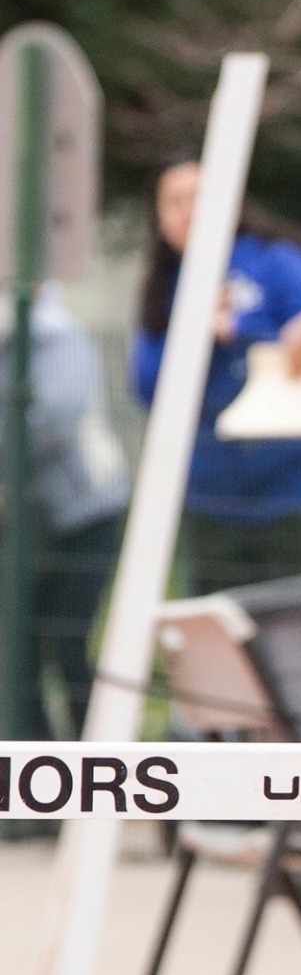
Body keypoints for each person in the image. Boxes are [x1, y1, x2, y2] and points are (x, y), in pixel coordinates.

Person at [133, 160, 301, 595]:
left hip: (292, 492)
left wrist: (242, 332)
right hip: (211, 497)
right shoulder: (163, 286)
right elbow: (147, 385)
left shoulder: (276, 261)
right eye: (174, 201)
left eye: (197, 197)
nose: (188, 211)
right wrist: (195, 337)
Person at [0, 284, 129, 739]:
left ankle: (102, 765)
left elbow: (54, 421)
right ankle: (42, 786)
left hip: (82, 519)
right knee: (18, 658)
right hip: (26, 527)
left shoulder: (59, 336)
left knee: (69, 650)